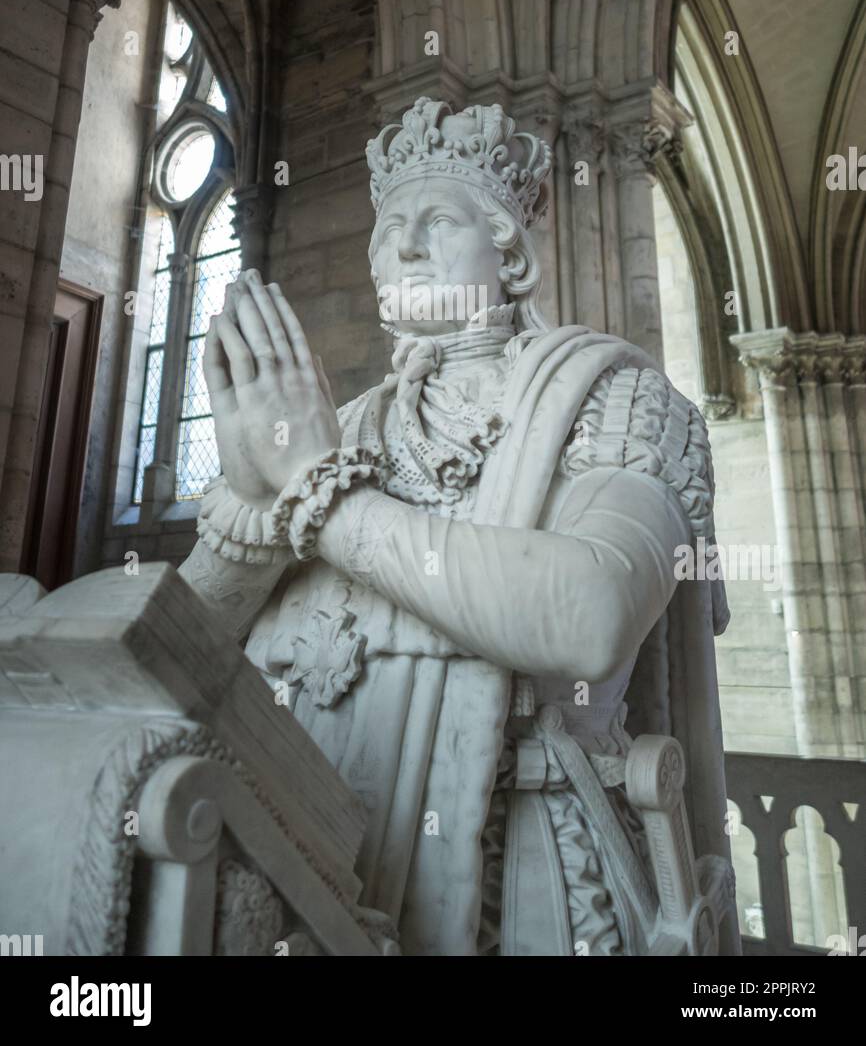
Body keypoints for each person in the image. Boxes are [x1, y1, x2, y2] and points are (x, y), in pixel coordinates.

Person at [179, 96, 733, 955]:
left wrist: (321, 497)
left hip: (527, 872)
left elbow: (589, 614)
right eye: (388, 226)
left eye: (437, 220)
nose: (401, 244)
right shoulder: (341, 427)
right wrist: (255, 503)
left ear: (510, 256)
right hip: (316, 857)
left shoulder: (614, 399)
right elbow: (186, 656)